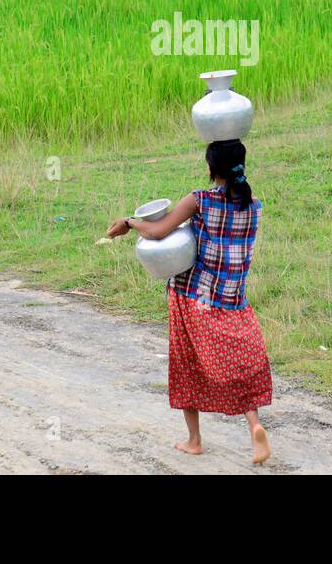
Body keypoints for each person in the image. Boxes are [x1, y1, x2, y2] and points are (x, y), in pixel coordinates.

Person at [107, 139, 272, 465]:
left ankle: (194, 440)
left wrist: (128, 223)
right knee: (237, 366)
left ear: (211, 169)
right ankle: (254, 425)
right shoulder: (253, 205)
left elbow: (157, 232)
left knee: (186, 365)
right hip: (233, 301)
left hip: (192, 297)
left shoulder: (201, 199)